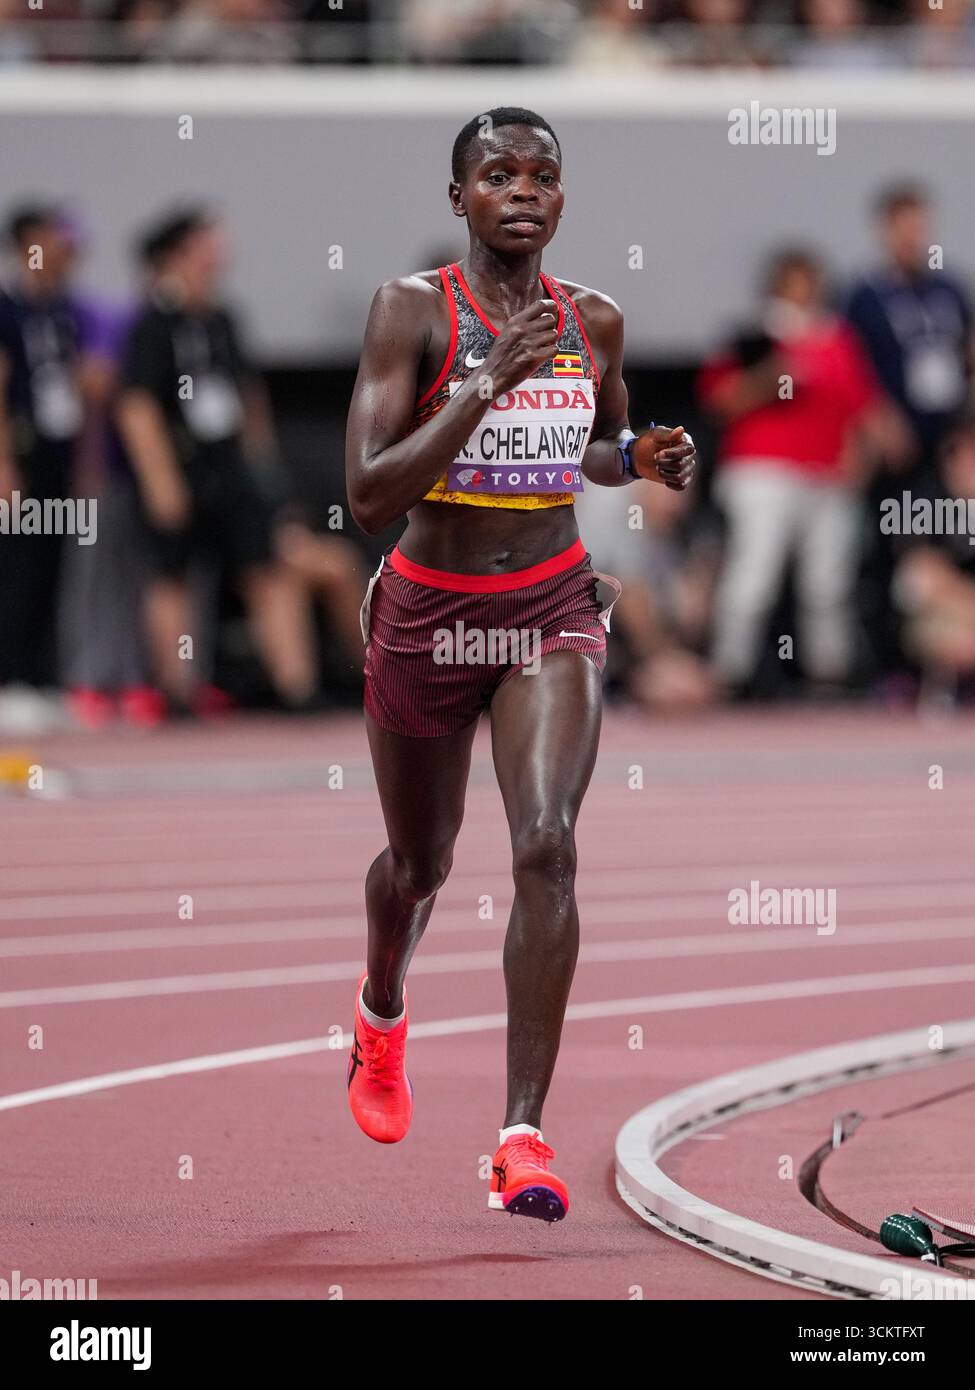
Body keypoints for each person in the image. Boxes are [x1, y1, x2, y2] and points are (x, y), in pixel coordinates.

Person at [344, 106, 696, 1221]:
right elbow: (368, 493)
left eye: (543, 174)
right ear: (460, 200)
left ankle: (519, 1136)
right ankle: (382, 1011)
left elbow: (590, 441)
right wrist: (486, 381)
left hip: (548, 604)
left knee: (546, 845)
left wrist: (634, 454)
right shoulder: (411, 312)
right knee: (420, 865)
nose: (524, 191)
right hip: (429, 614)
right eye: (498, 174)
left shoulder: (595, 317)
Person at [116, 208, 319, 716]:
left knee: (266, 568)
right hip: (182, 466)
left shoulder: (223, 318)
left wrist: (262, 469)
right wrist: (161, 479)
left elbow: (248, 397)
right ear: (179, 251)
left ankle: (296, 688)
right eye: (208, 240)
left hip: (231, 468)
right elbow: (136, 406)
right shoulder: (153, 324)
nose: (221, 249)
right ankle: (176, 690)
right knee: (173, 575)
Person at [699, 246, 905, 696]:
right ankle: (729, 672)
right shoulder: (755, 335)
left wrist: (868, 450)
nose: (805, 290)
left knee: (827, 581)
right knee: (755, 573)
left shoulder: (836, 337)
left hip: (827, 476)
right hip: (764, 471)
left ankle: (826, 674)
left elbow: (861, 404)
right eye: (795, 281)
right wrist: (771, 377)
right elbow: (720, 400)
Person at [846, 184, 974, 688]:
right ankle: (889, 664)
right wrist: (877, 419)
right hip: (896, 446)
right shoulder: (865, 295)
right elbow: (849, 365)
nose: (914, 238)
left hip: (943, 441)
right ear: (885, 231)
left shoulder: (948, 290)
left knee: (950, 536)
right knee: (890, 549)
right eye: (904, 227)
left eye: (921, 227)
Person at [0, 206, 86, 724]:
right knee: (17, 566)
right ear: (28, 242)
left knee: (52, 564)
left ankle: (38, 675)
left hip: (57, 451)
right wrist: (4, 462)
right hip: (23, 452)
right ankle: (9, 678)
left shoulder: (59, 310)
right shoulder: (7, 308)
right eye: (53, 238)